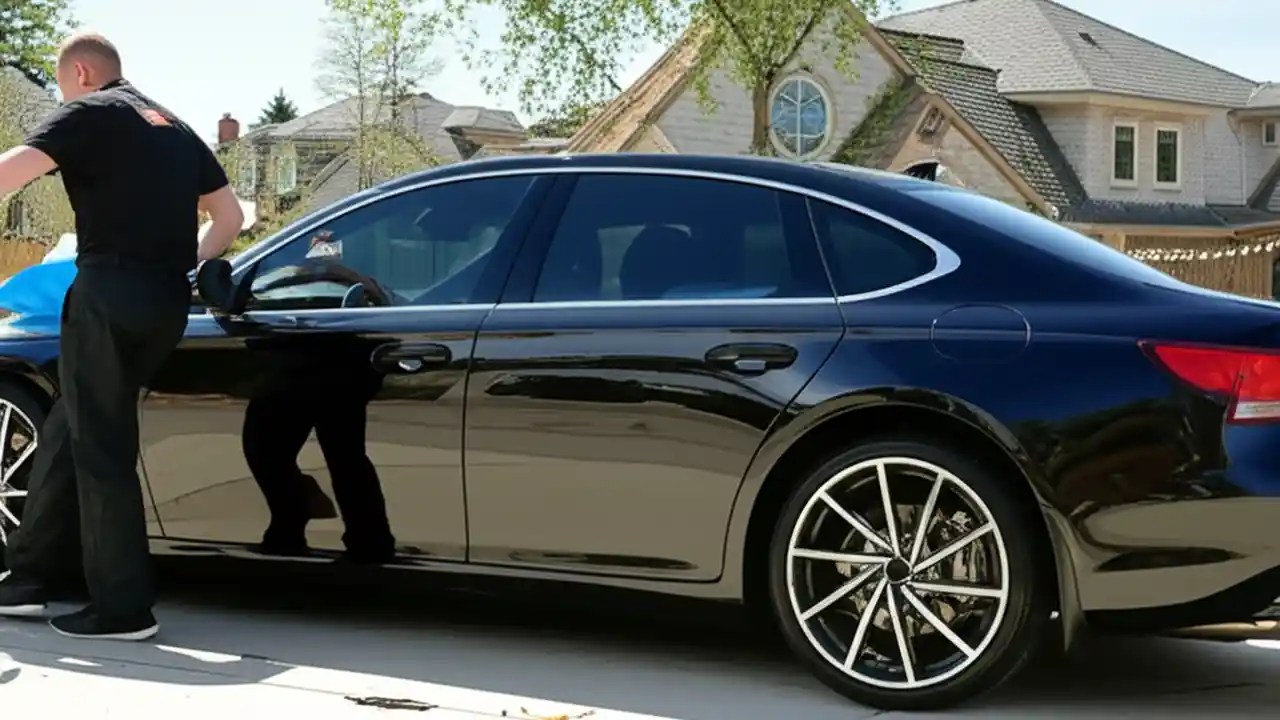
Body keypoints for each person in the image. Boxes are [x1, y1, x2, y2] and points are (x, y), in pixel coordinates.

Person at [0, 33, 243, 640]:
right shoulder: (176, 126)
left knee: (102, 448)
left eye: (61, 86)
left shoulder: (88, 112)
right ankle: (28, 580)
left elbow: (9, 174)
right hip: (164, 303)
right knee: (71, 422)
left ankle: (122, 608)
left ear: (80, 73)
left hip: (106, 298)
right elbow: (231, 219)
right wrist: (190, 262)